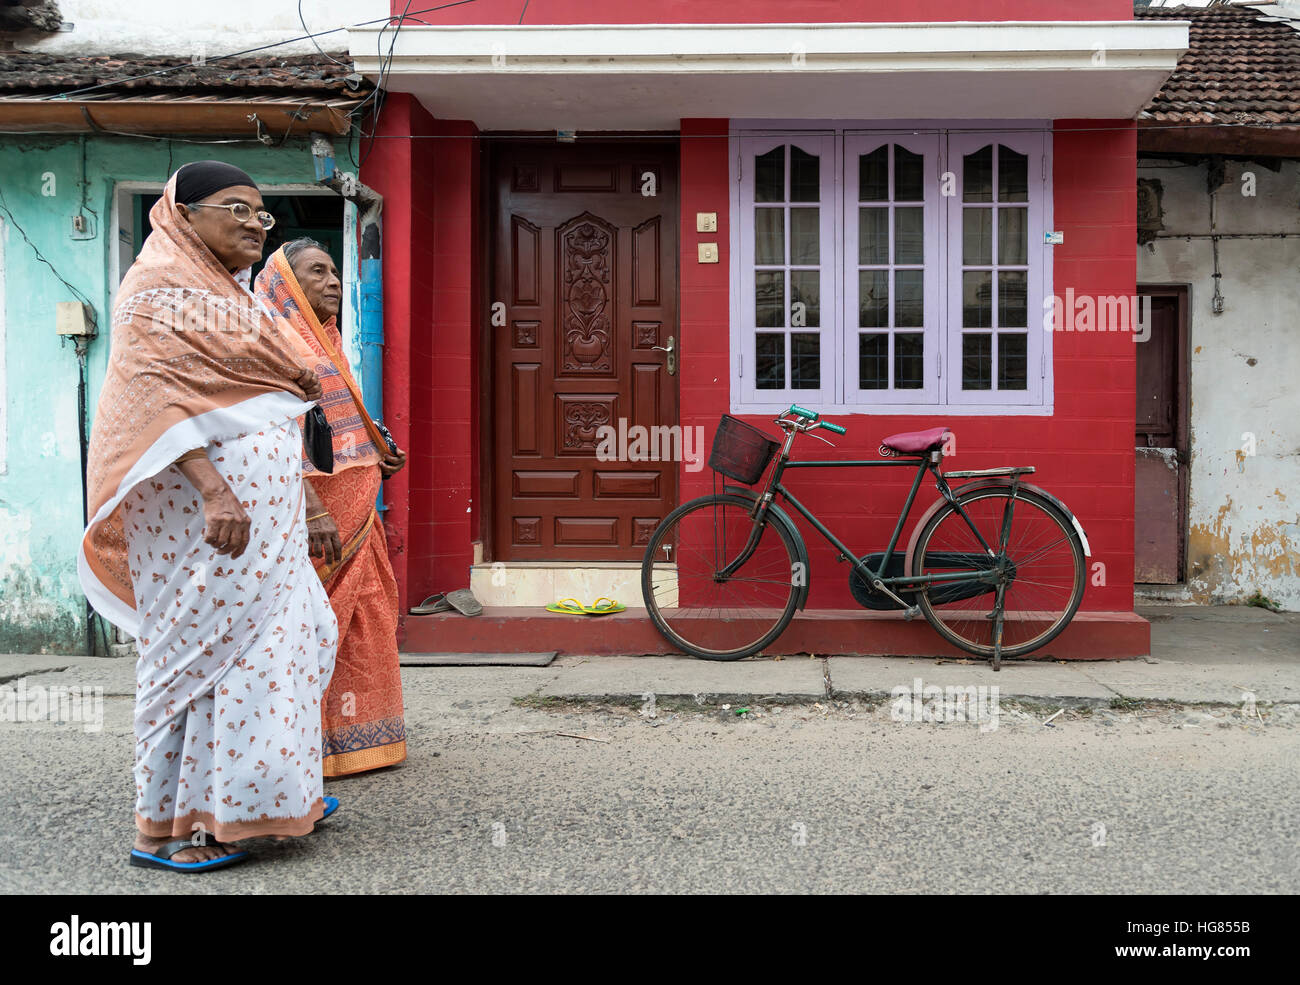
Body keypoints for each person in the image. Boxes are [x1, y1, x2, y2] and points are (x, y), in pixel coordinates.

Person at [79, 161, 339, 873]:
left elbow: (269, 412)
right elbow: (153, 403)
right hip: (201, 522)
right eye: (237, 209)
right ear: (183, 215)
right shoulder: (155, 293)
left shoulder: (234, 294)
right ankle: (179, 827)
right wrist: (217, 490)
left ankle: (269, 793)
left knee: (298, 641)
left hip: (269, 523)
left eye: (263, 214)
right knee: (202, 664)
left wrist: (307, 499)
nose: (257, 225)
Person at [255, 238, 408, 777]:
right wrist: (312, 504)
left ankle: (360, 739)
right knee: (312, 622)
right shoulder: (272, 341)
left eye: (334, 271)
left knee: (365, 614)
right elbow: (272, 431)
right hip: (315, 514)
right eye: (316, 272)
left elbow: (336, 423)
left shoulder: (328, 342)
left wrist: (376, 447)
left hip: (356, 505)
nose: (333, 281)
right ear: (287, 284)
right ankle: (297, 744)